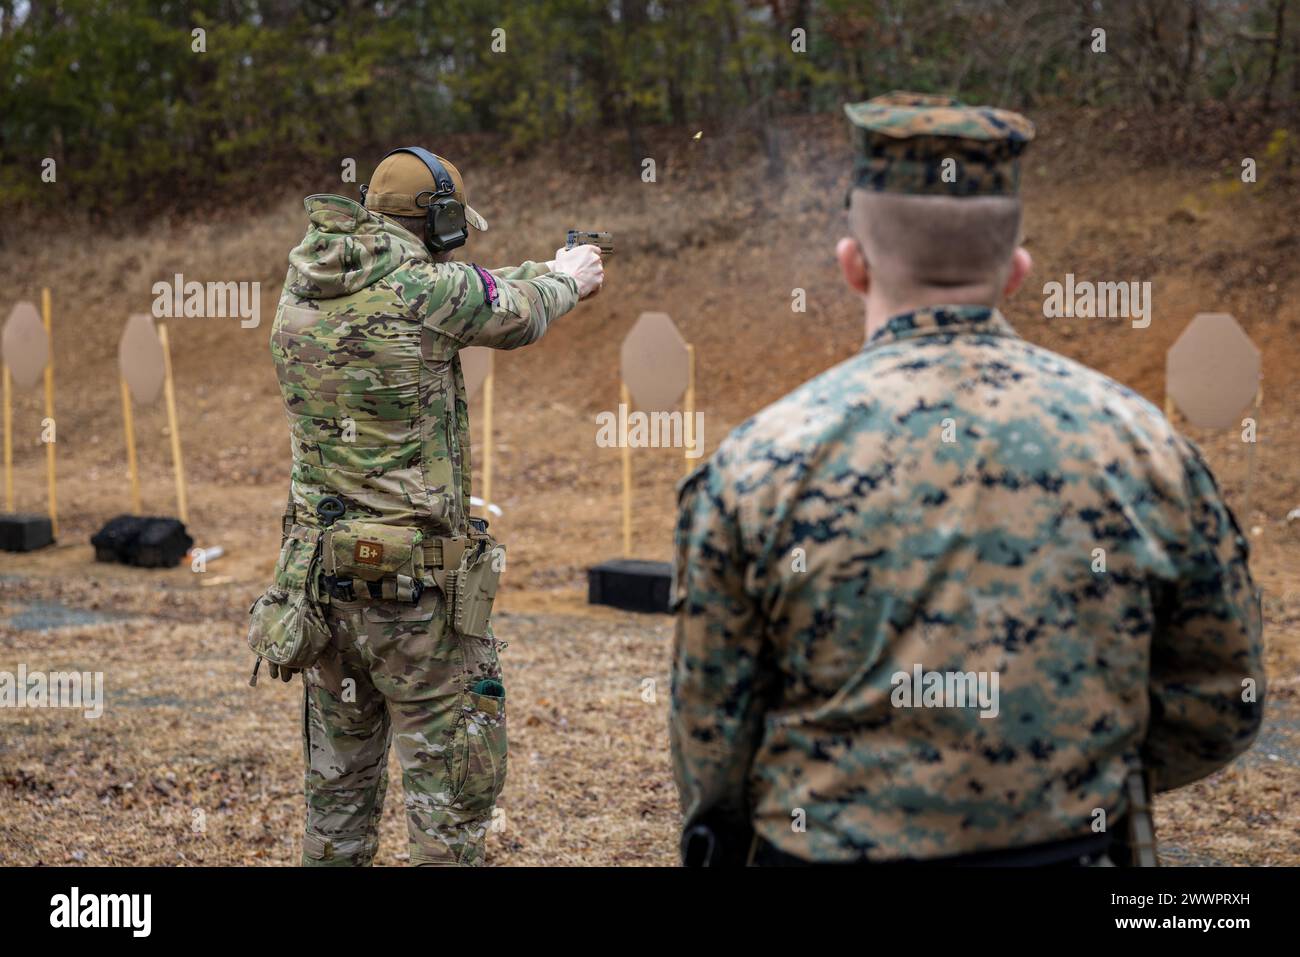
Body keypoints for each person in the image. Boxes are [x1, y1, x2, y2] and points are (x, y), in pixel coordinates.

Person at [669, 93, 1264, 866]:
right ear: (1017, 271)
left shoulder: (757, 463)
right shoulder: (1145, 446)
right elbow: (1224, 698)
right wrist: (1073, 773)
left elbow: (712, 732)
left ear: (853, 263)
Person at [263, 147, 603, 866]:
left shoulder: (304, 288)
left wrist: (540, 267)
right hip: (414, 600)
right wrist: (568, 279)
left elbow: (472, 287)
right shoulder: (427, 292)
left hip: (321, 590)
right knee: (447, 811)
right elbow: (514, 311)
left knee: (336, 807)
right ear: (441, 220)